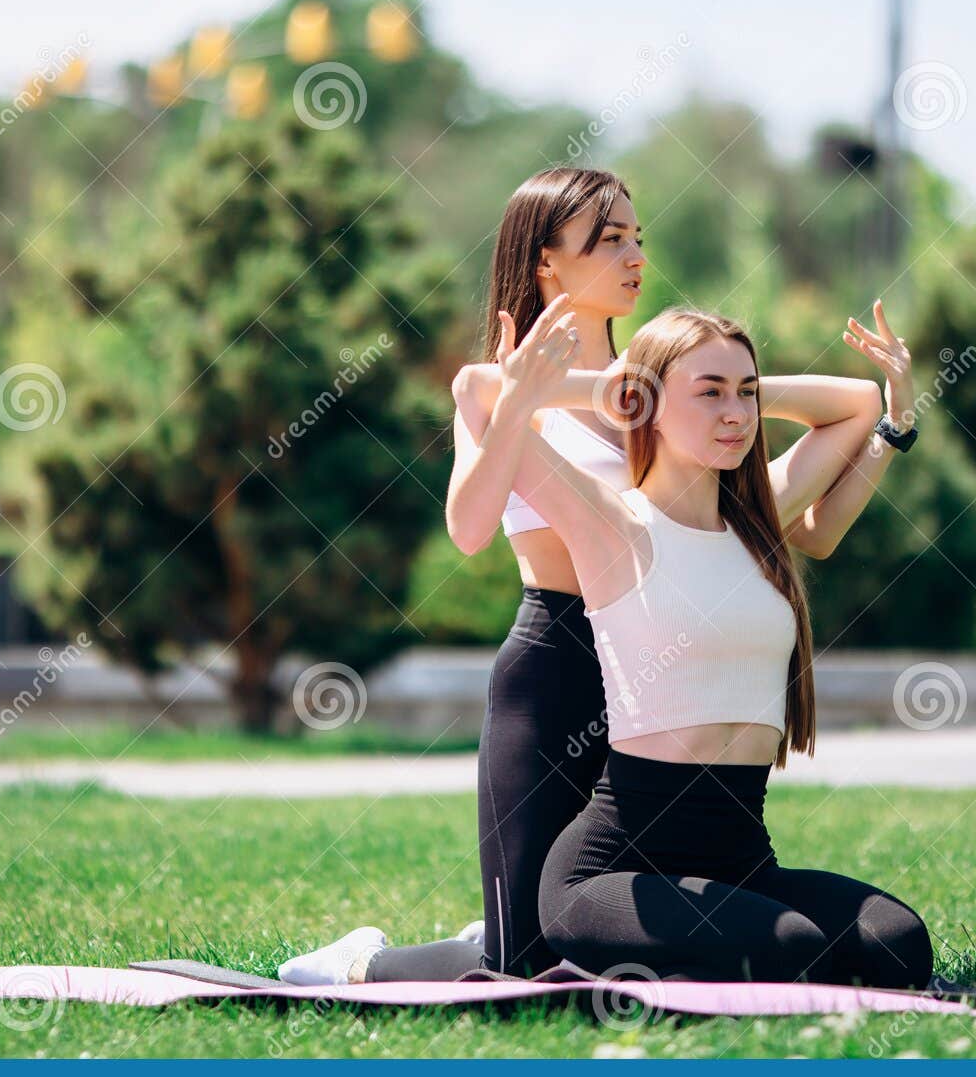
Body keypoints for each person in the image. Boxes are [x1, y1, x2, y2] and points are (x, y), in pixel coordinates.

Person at [278, 168, 917, 986]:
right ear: (546, 261)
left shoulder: (668, 387)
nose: (633, 254)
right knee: (525, 963)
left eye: (637, 236)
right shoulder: (511, 392)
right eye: (608, 238)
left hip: (663, 668)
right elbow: (469, 528)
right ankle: (365, 962)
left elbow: (804, 512)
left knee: (653, 923)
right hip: (561, 669)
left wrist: (700, 384)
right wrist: (577, 390)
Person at [478, 304, 933, 986]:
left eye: (746, 393)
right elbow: (479, 394)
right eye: (711, 393)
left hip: (740, 856)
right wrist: (631, 388)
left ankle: (696, 947)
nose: (739, 413)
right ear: (647, 406)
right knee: (792, 951)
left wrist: (727, 384)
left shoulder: (756, 520)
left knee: (897, 945)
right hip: (612, 871)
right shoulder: (611, 521)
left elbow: (859, 404)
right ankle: (374, 963)